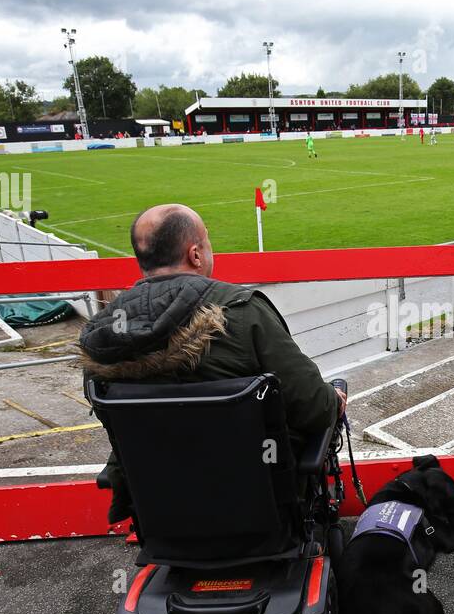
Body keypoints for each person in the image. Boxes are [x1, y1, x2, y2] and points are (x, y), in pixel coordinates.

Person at [79, 204, 344, 522]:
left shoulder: (102, 336)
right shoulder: (244, 313)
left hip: (164, 518)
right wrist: (335, 399)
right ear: (195, 255)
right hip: (262, 511)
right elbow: (314, 407)